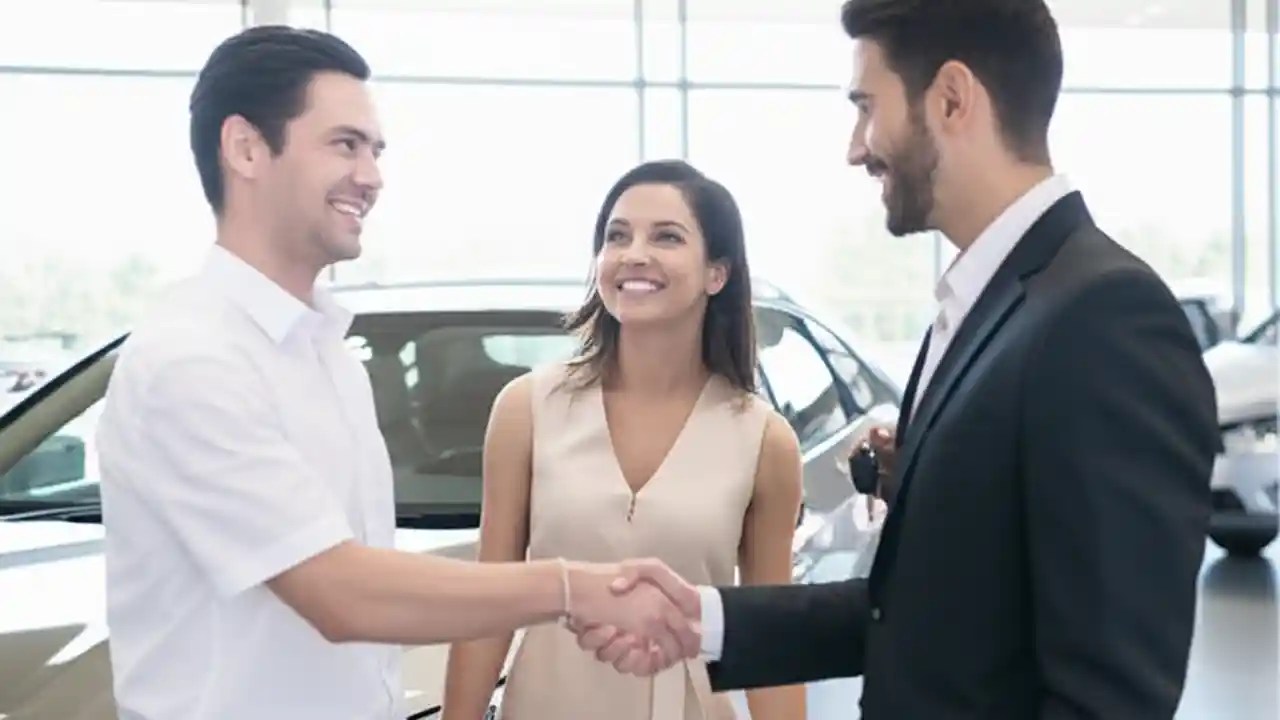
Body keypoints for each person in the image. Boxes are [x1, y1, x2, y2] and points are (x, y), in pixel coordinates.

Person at [575, 1, 1222, 718]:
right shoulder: (985, 307)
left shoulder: (1105, 318)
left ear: (951, 98)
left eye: (866, 107)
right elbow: (919, 613)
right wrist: (702, 619)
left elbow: (1110, 697)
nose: (857, 148)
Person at [95, 27, 695, 720]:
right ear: (246, 148)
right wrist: (572, 589)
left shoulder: (327, 356)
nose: (372, 177)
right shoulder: (191, 359)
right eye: (344, 144)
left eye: (374, 152)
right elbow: (342, 593)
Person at [440, 160, 806, 720]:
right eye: (617, 236)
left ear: (717, 273)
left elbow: (769, 643)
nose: (634, 254)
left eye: (666, 237)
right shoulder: (527, 409)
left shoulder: (763, 439)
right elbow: (487, 609)